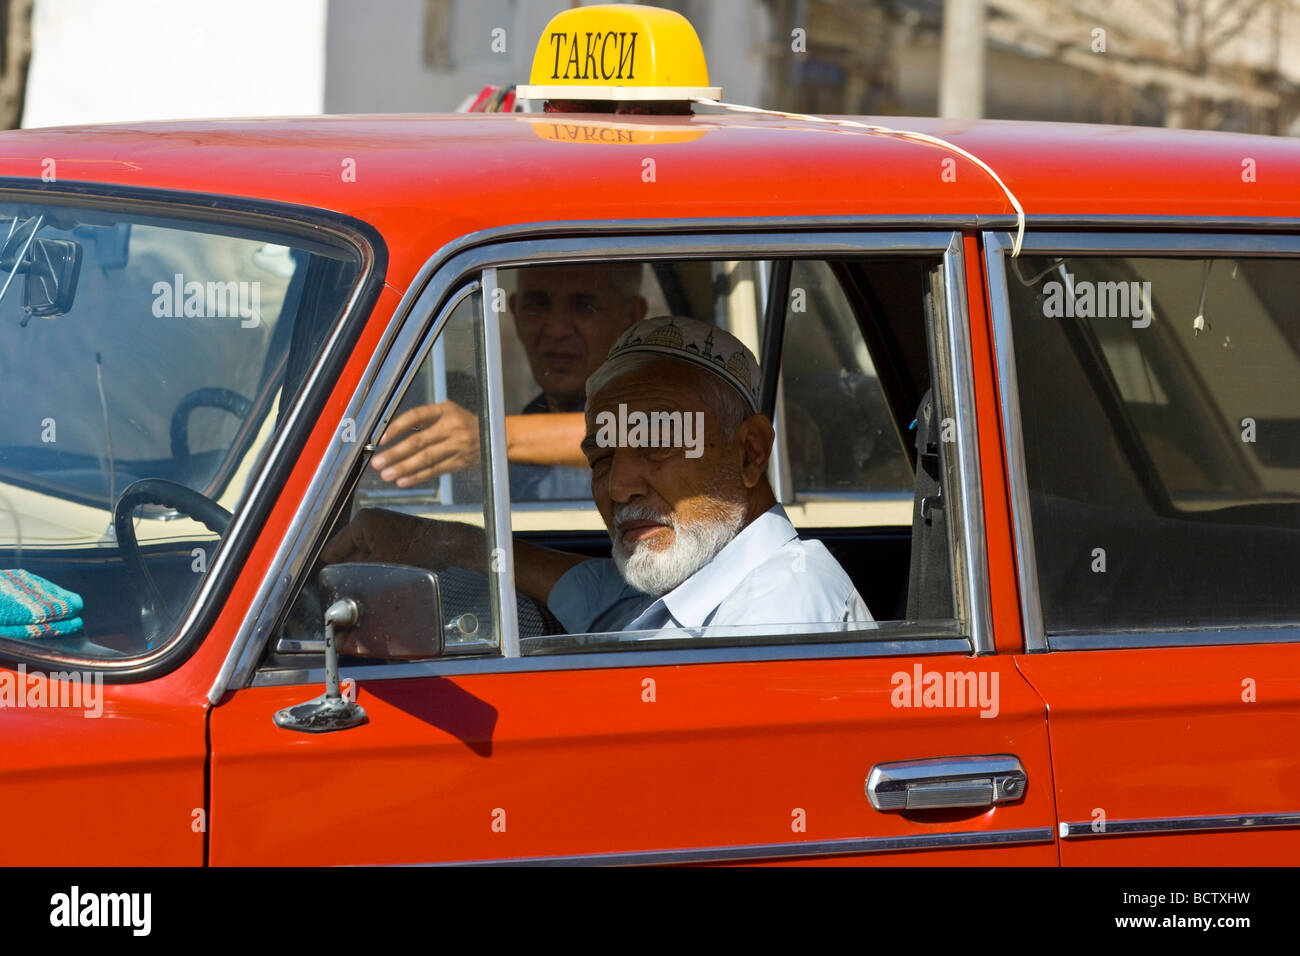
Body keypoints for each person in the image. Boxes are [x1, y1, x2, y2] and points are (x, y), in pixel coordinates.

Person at [324, 316, 872, 633]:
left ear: (750, 453)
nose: (616, 488)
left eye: (656, 444)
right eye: (601, 459)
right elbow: (596, 596)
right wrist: (430, 540)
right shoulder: (694, 582)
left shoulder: (782, 615)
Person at [368, 262, 646, 499]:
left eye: (584, 307)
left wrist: (489, 438)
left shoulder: (664, 410)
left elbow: (644, 432)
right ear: (514, 311)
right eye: (537, 305)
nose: (557, 328)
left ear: (632, 317)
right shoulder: (529, 419)